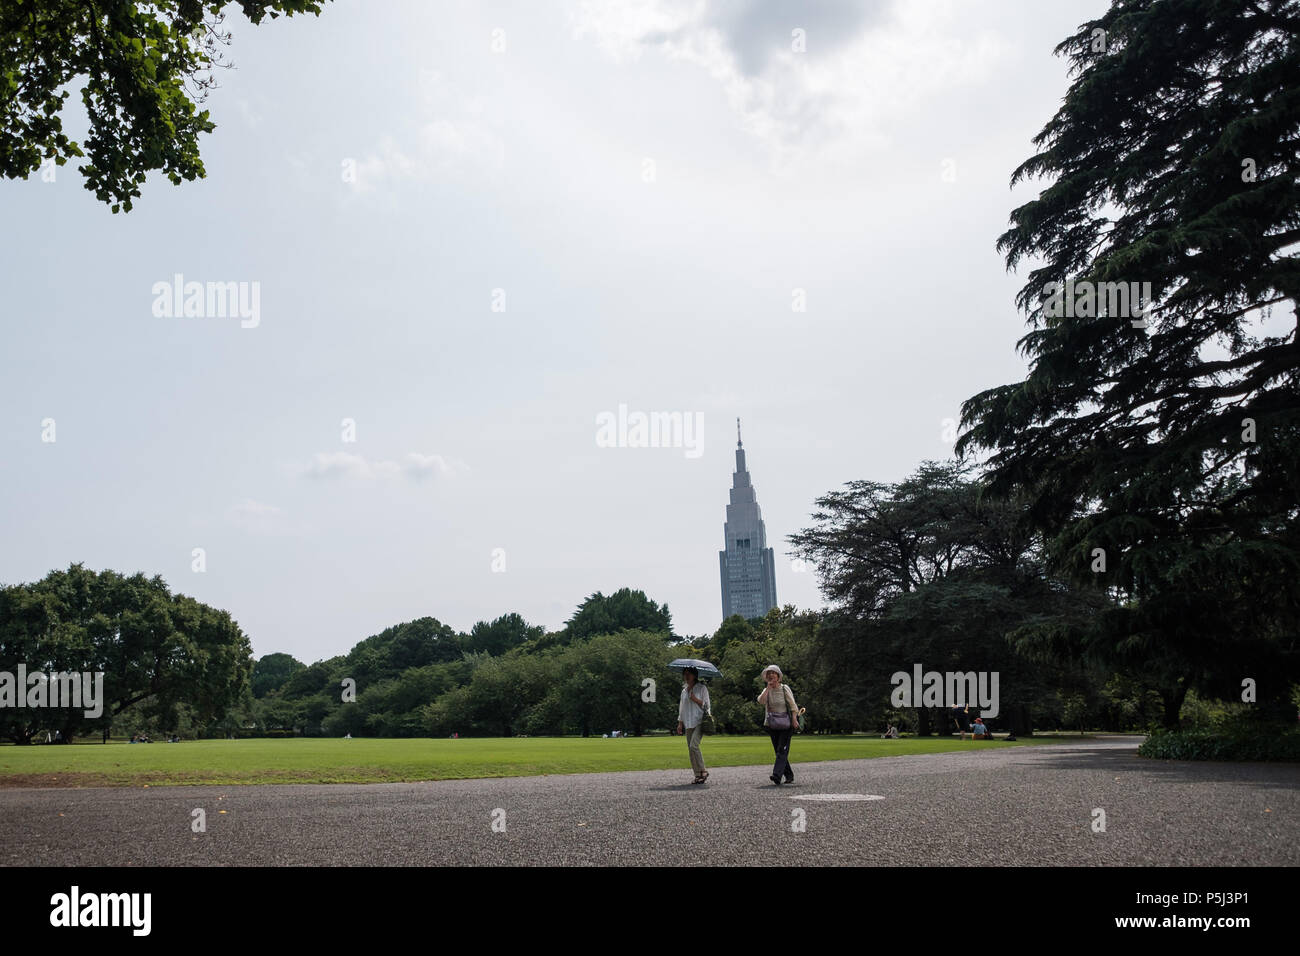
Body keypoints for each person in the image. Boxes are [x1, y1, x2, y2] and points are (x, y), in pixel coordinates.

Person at [757, 665, 799, 785]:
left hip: (786, 724)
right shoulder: (767, 690)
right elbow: (761, 701)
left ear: (778, 676)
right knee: (779, 751)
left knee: (782, 750)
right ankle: (789, 775)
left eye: (773, 673)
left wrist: (794, 719)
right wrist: (768, 689)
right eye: (769, 673)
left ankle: (777, 775)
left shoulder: (784, 688)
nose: (771, 675)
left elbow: (793, 705)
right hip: (772, 724)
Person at [676, 667, 710, 784]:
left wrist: (695, 699)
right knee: (690, 750)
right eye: (684, 674)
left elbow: (707, 706)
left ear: (694, 675)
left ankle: (703, 770)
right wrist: (680, 723)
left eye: (688, 674)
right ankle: (698, 775)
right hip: (688, 722)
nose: (686, 676)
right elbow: (682, 707)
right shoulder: (684, 691)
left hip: (700, 721)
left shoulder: (702, 688)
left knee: (693, 746)